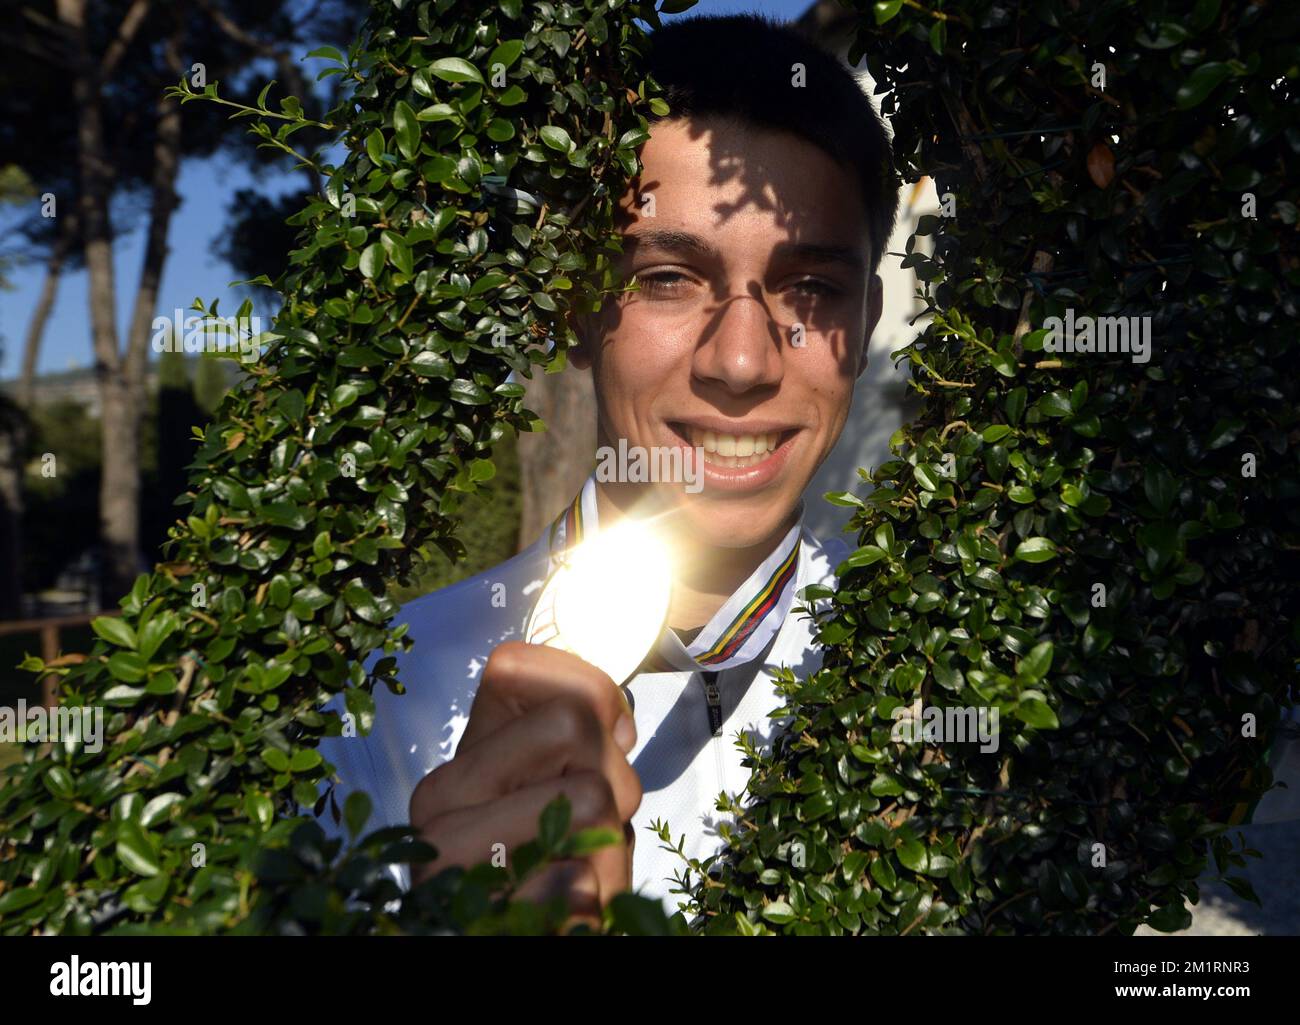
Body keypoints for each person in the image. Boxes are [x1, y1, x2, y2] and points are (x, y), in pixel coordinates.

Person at [317, 12, 900, 923]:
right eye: (668, 276)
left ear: (863, 324)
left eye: (812, 289)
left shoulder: (941, 683)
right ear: (579, 305)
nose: (740, 362)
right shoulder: (373, 697)